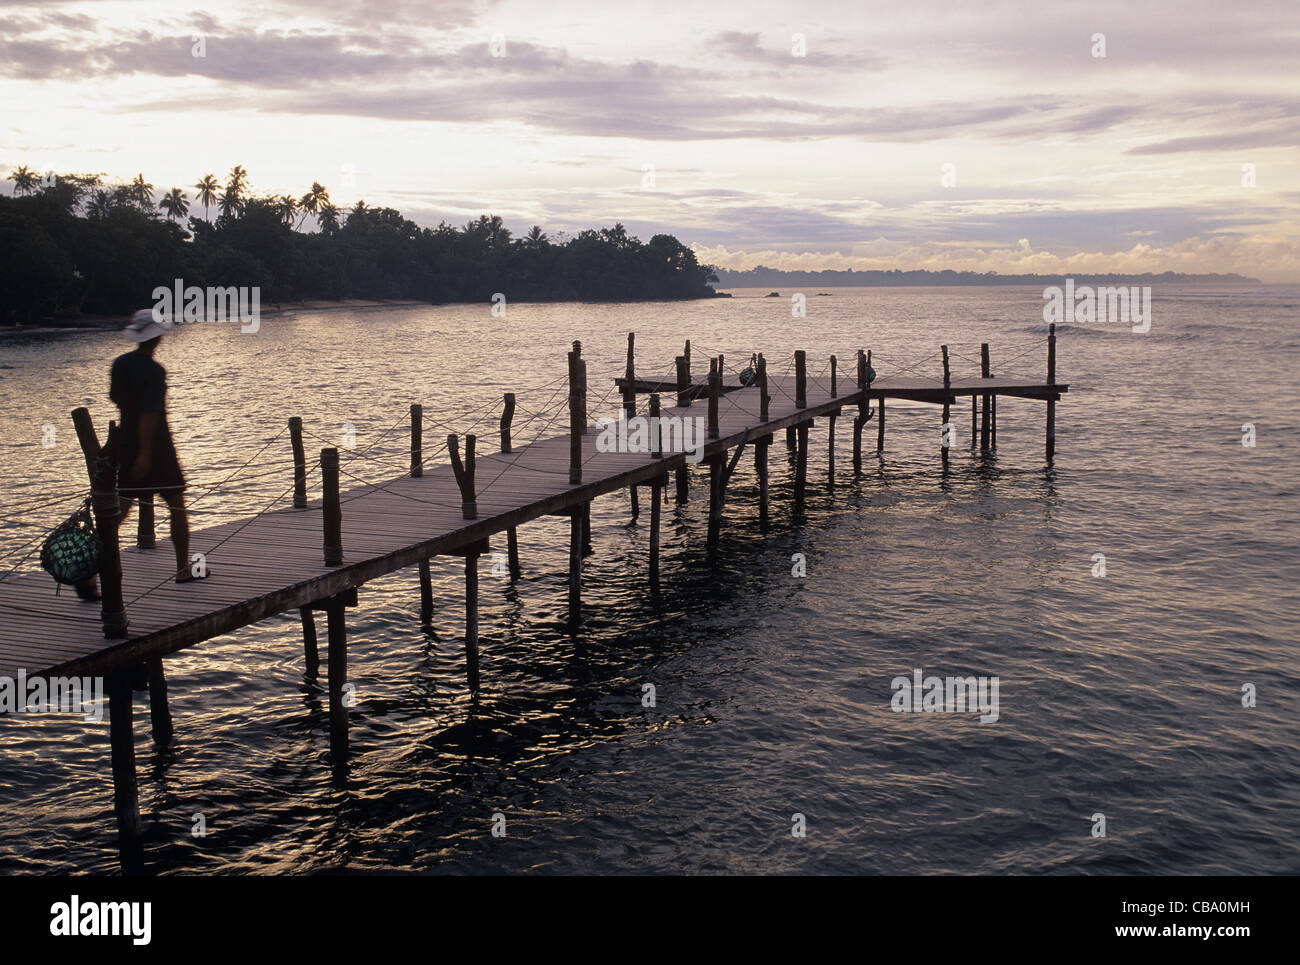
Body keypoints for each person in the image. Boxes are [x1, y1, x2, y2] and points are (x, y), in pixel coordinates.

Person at [76, 310, 208, 600]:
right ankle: (184, 568)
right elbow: (150, 414)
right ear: (157, 337)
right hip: (156, 446)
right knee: (176, 504)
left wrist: (134, 449)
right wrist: (146, 456)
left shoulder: (120, 364)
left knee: (117, 512)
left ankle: (88, 574)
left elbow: (114, 397)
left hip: (125, 443)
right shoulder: (155, 371)